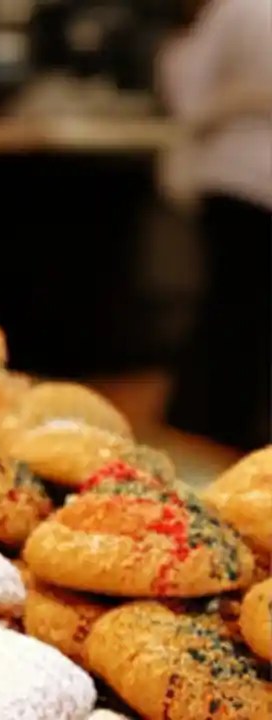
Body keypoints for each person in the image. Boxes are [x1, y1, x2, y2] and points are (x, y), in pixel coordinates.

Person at [159, 0, 272, 452]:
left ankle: (202, 431)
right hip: (246, 185)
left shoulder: (238, 10)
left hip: (235, 180)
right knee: (245, 313)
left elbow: (187, 93)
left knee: (228, 311)